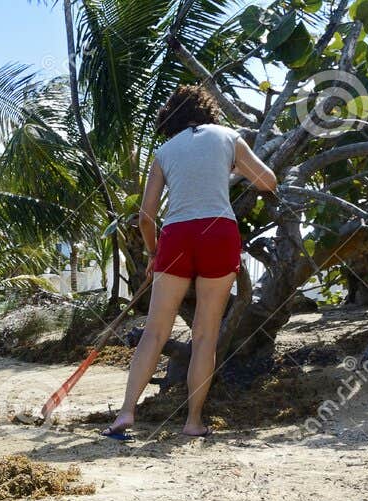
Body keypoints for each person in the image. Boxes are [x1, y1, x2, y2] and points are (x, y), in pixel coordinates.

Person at [106, 85, 276, 440]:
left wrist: (155, 254)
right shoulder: (229, 136)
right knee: (205, 335)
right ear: (207, 111)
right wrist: (230, 170)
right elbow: (267, 181)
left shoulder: (165, 151)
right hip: (219, 232)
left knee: (153, 332)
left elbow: (146, 217)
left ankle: (125, 414)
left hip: (177, 236)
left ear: (172, 119)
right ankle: (193, 422)